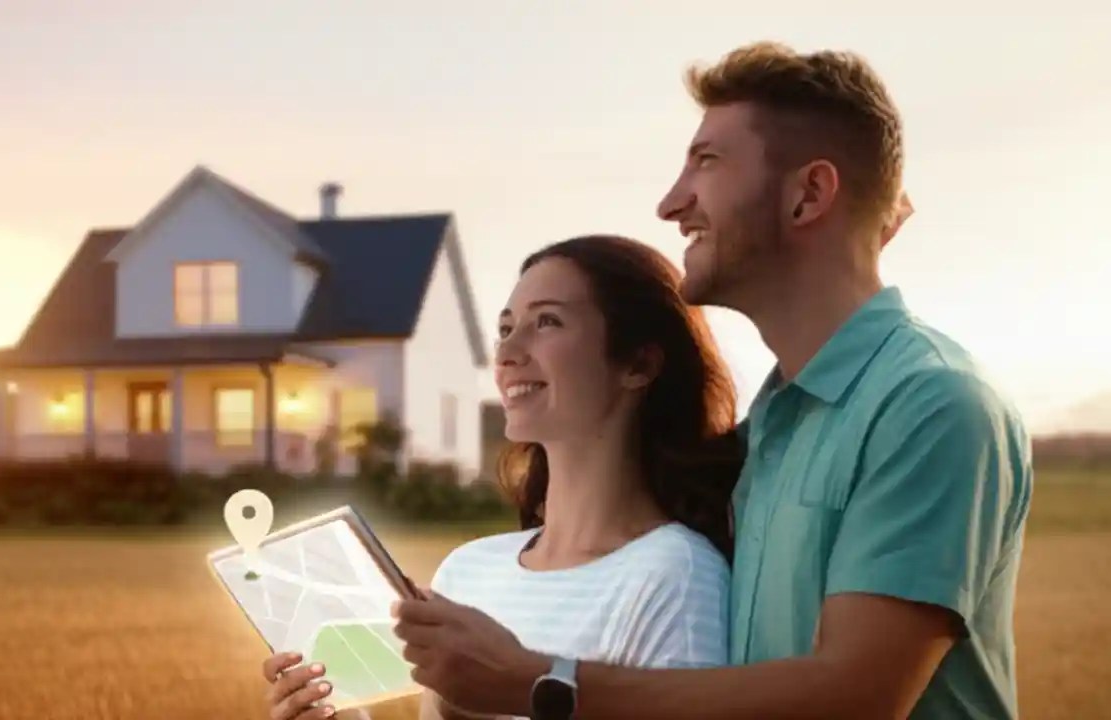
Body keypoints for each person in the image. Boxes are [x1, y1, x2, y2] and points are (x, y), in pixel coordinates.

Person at [390, 41, 1034, 720]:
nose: (672, 203)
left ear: (809, 193)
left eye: (707, 162)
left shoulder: (933, 403)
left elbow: (858, 698)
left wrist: (541, 683)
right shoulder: (772, 429)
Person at [261, 235, 747, 719]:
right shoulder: (468, 570)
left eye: (547, 322)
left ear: (639, 364)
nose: (507, 352)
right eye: (506, 328)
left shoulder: (675, 575)